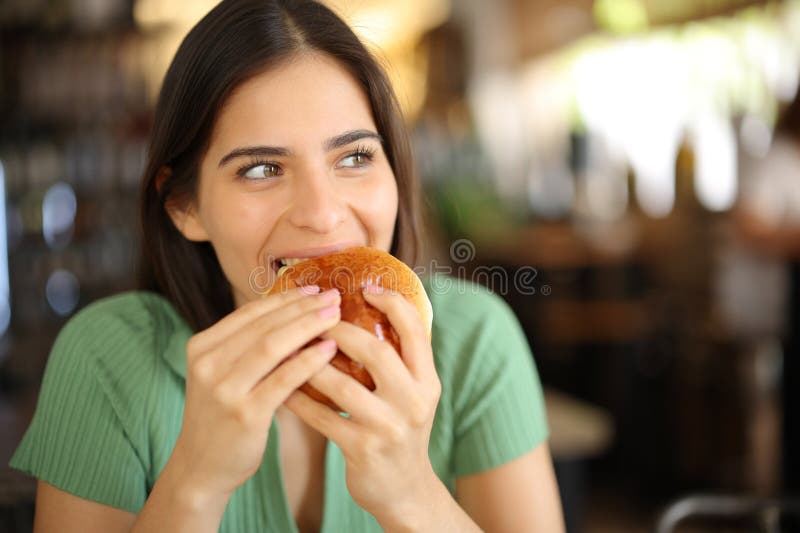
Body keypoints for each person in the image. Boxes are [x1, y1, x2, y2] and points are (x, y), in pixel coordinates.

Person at [9, 0, 565, 531]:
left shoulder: (475, 340)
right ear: (184, 206)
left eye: (354, 157)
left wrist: (413, 497)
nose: (323, 216)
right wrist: (195, 482)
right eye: (261, 170)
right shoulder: (108, 360)